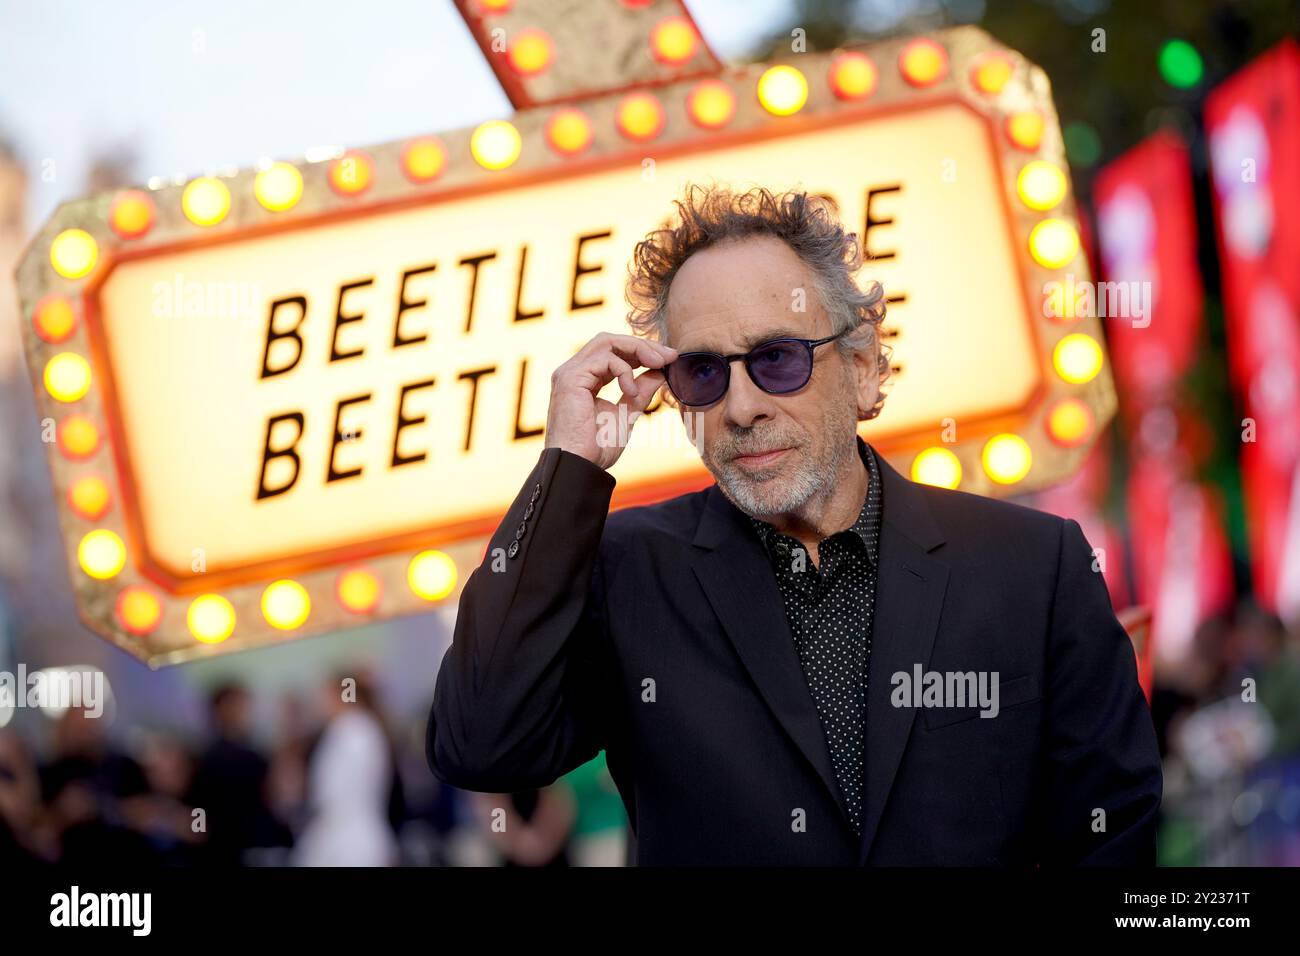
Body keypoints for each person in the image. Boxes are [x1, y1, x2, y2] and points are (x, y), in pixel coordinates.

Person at [426, 184, 1162, 865]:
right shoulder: (626, 572)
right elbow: (482, 743)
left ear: (865, 368)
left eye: (778, 358)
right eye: (704, 373)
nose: (742, 407)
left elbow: (1111, 833)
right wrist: (567, 469)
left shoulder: (1031, 565)